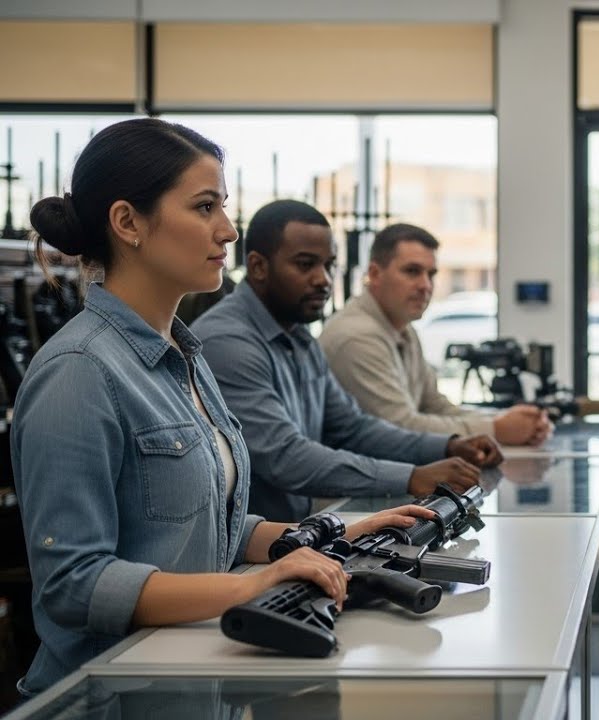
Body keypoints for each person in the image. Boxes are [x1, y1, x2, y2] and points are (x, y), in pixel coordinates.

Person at [13, 119, 434, 696]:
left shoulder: (185, 356)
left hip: (189, 678)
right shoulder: (78, 372)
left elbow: (208, 527)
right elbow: (74, 584)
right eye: (205, 207)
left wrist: (332, 537)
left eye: (224, 207)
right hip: (106, 694)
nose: (229, 231)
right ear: (128, 222)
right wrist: (248, 587)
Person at [192, 201, 502, 523]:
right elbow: (287, 458)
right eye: (305, 265)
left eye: (328, 265)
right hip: (242, 558)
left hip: (291, 537)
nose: (323, 280)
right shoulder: (228, 341)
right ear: (257, 267)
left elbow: (352, 428)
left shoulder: (299, 337)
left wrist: (448, 446)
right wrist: (411, 476)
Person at [319, 223, 552, 446]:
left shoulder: (403, 329)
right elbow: (400, 428)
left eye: (431, 274)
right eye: (412, 271)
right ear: (375, 273)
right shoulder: (356, 337)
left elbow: (436, 406)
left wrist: (506, 422)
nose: (425, 285)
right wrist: (497, 430)